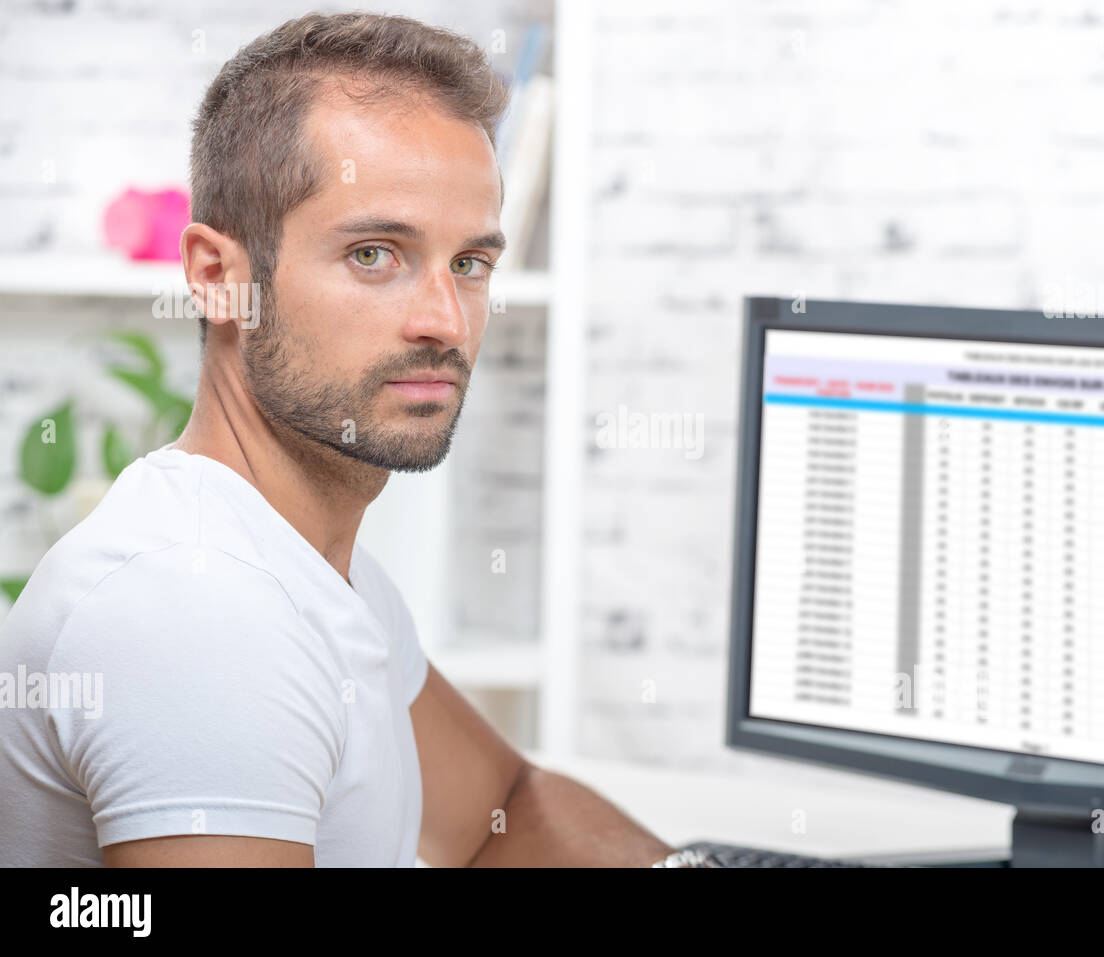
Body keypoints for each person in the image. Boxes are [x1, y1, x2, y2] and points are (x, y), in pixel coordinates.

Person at [0, 11, 691, 868]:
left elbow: (498, 814)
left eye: (470, 263)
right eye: (374, 253)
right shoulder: (194, 611)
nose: (445, 321)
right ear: (219, 278)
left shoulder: (314, 568)